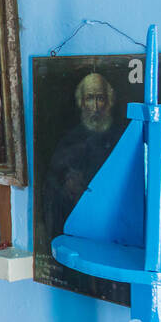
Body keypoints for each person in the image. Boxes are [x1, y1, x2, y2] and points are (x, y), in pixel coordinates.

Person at [43, 72, 121, 241]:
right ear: (81, 102)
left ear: (108, 102)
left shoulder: (120, 138)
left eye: (100, 98)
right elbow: (53, 188)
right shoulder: (69, 141)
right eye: (89, 98)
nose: (95, 107)